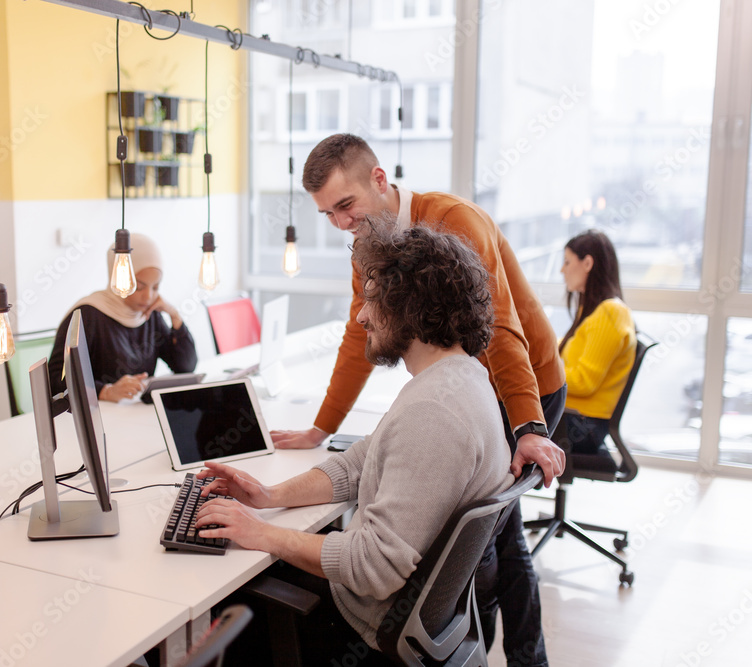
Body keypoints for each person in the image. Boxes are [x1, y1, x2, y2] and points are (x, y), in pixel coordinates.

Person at [270, 134, 566, 666]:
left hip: (525, 385)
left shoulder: (453, 221)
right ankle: (469, 645)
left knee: (495, 542)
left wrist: (529, 428)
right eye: (328, 214)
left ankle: (519, 657)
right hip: (469, 382)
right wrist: (322, 427)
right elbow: (359, 336)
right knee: (475, 541)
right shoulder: (372, 244)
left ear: (379, 179)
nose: (340, 222)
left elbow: (501, 331)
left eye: (345, 205)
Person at [195, 224, 514, 665]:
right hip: (394, 614)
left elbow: (372, 567)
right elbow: (358, 464)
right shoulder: (460, 378)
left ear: (411, 307)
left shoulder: (434, 413)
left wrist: (262, 532)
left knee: (214, 596)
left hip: (359, 629)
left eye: (373, 300)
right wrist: (269, 496)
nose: (362, 316)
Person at [46, 232, 197, 401]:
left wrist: (175, 316)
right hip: (98, 414)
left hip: (134, 411)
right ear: (118, 278)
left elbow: (186, 367)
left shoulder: (150, 314)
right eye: (139, 287)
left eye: (155, 287)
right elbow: (54, 380)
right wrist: (106, 391)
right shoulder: (87, 315)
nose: (148, 297)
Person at [557, 230, 635, 463]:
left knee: (502, 422)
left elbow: (584, 382)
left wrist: (537, 375)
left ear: (588, 263)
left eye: (567, 262)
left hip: (581, 426)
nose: (562, 270)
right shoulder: (595, 311)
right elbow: (570, 349)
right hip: (574, 419)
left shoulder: (610, 312)